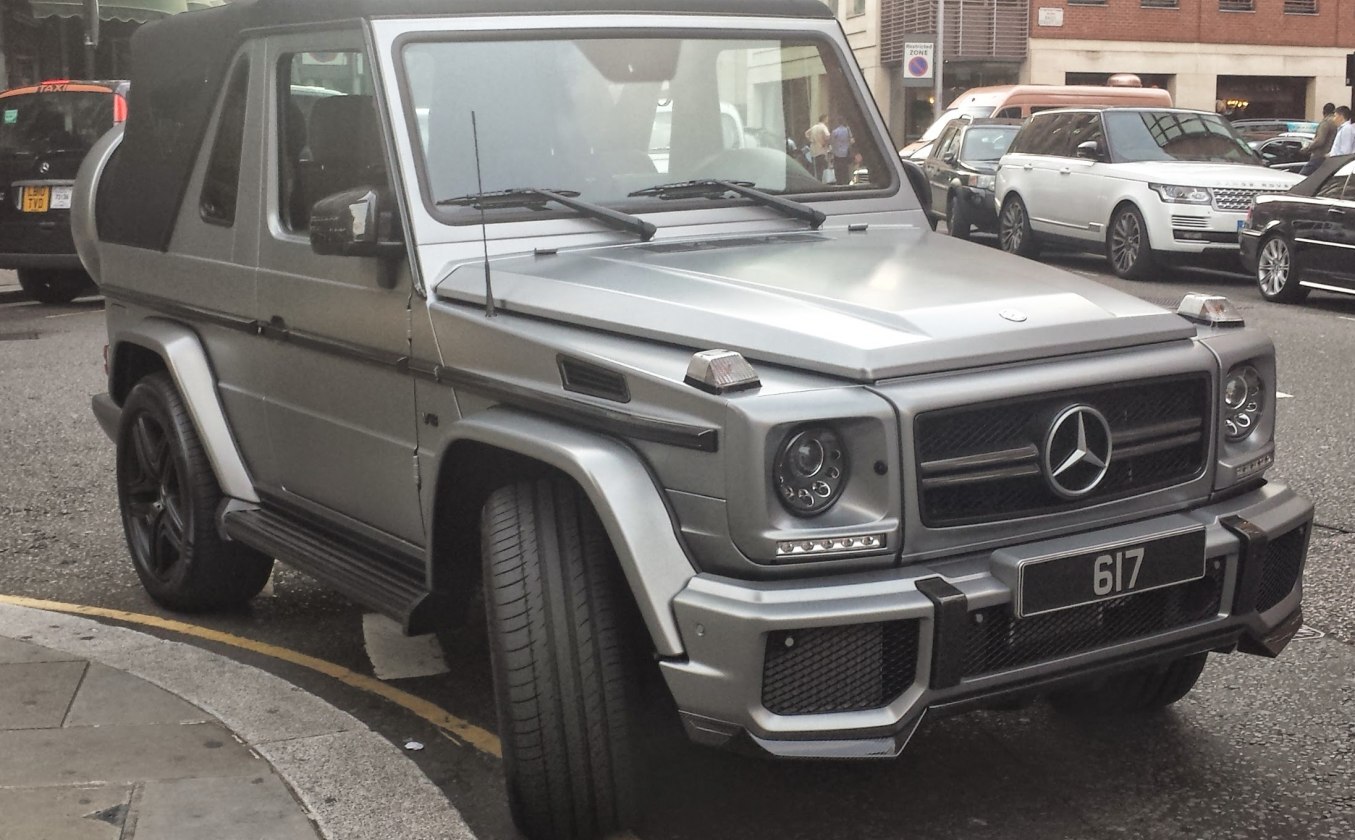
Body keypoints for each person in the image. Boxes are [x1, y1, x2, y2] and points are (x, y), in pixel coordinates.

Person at [1299, 102, 1337, 175]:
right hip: (1332, 156)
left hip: (1320, 156)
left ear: (1323, 112)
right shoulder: (1337, 123)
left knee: (1301, 177)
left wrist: (1307, 149)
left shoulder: (1325, 123)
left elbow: (1319, 140)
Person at [804, 114, 830, 181]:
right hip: (821, 150)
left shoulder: (814, 127)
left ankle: (815, 180)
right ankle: (820, 181)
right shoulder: (823, 127)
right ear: (824, 119)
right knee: (821, 168)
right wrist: (825, 143)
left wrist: (811, 140)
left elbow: (806, 133)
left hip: (813, 150)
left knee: (815, 168)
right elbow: (827, 135)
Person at [830, 115, 853, 185]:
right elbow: (851, 140)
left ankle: (839, 181)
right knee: (845, 168)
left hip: (837, 153)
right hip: (846, 153)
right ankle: (846, 181)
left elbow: (832, 142)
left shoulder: (835, 132)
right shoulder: (848, 130)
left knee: (838, 169)